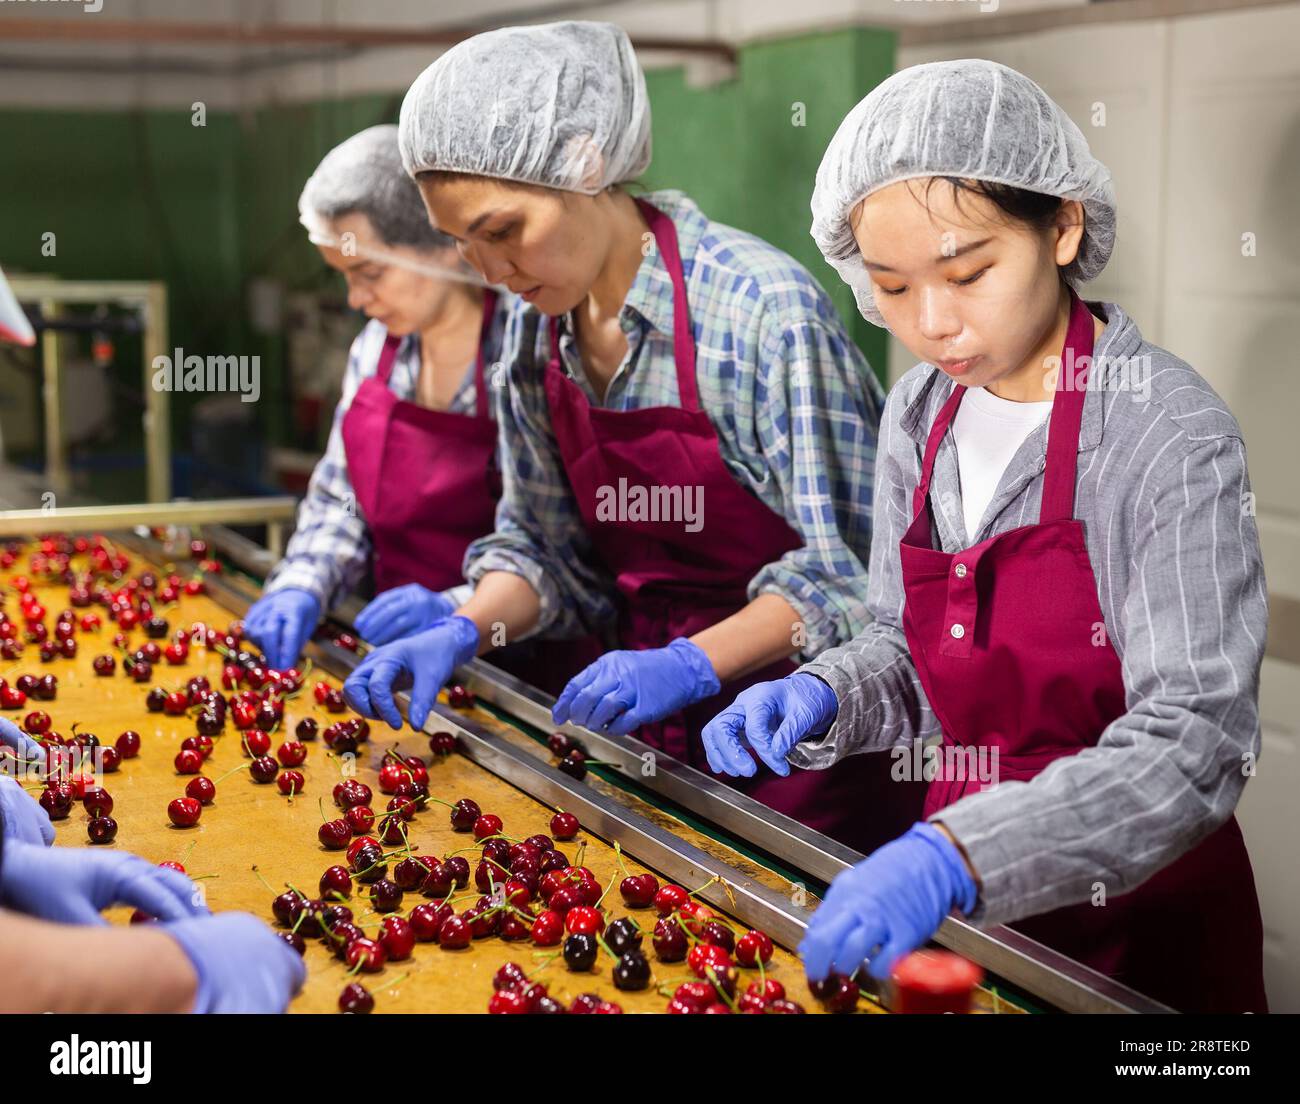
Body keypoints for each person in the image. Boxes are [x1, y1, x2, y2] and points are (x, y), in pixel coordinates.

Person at [702, 59, 1267, 1013]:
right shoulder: (921, 413)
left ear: (1063, 226)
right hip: (961, 913)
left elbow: (1195, 742)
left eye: (968, 273)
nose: (933, 325)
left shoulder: (1164, 432)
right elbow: (907, 644)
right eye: (890, 286)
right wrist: (824, 692)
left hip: (1137, 924)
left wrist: (959, 855)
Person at [344, 21, 921, 854]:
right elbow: (548, 554)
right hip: (645, 741)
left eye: (503, 230)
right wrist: (467, 623)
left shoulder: (759, 313)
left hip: (798, 743)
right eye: (463, 244)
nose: (490, 270)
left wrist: (692, 664)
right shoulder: (533, 334)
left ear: (585, 162)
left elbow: (858, 575)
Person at [244, 125, 512, 669]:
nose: (355, 298)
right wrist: (304, 582)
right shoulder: (375, 353)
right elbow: (343, 497)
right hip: (392, 657)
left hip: (517, 661)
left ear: (440, 246)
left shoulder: (522, 349)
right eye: (343, 277)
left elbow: (554, 542)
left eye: (368, 273)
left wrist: (458, 611)